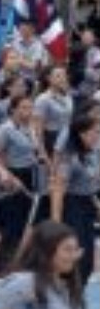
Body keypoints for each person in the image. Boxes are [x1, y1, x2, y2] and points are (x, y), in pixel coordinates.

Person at [0, 95, 42, 278]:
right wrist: (6, 176)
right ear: (13, 109)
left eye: (30, 108)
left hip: (29, 175)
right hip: (13, 176)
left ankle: (13, 261)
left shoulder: (30, 128)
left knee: (22, 224)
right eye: (24, 108)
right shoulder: (5, 129)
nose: (28, 112)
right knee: (12, 224)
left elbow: (35, 151)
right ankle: (0, 264)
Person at [48, 109, 100, 287]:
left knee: (87, 260)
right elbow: (58, 190)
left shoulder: (91, 155)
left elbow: (90, 187)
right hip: (72, 207)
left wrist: (96, 205)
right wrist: (56, 223)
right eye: (95, 132)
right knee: (73, 258)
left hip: (86, 207)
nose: (97, 136)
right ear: (82, 134)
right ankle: (61, 298)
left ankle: (74, 298)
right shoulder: (68, 158)